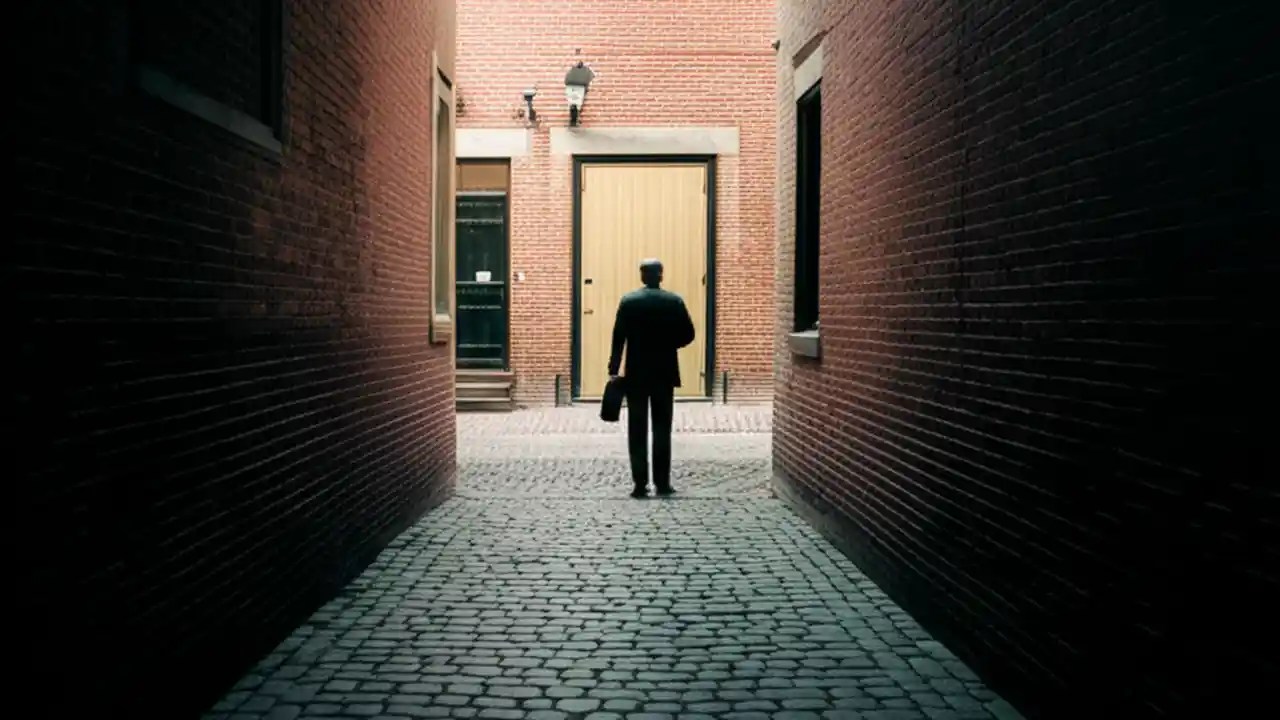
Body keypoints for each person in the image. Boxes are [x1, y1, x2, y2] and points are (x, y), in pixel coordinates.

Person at [607, 258, 696, 498]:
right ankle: (662, 483)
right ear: (661, 275)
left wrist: (614, 367)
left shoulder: (629, 302)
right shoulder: (674, 301)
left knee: (637, 430)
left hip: (636, 373)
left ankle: (640, 484)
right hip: (664, 372)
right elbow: (689, 334)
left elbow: (618, 337)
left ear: (642, 276)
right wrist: (669, 344)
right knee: (662, 429)